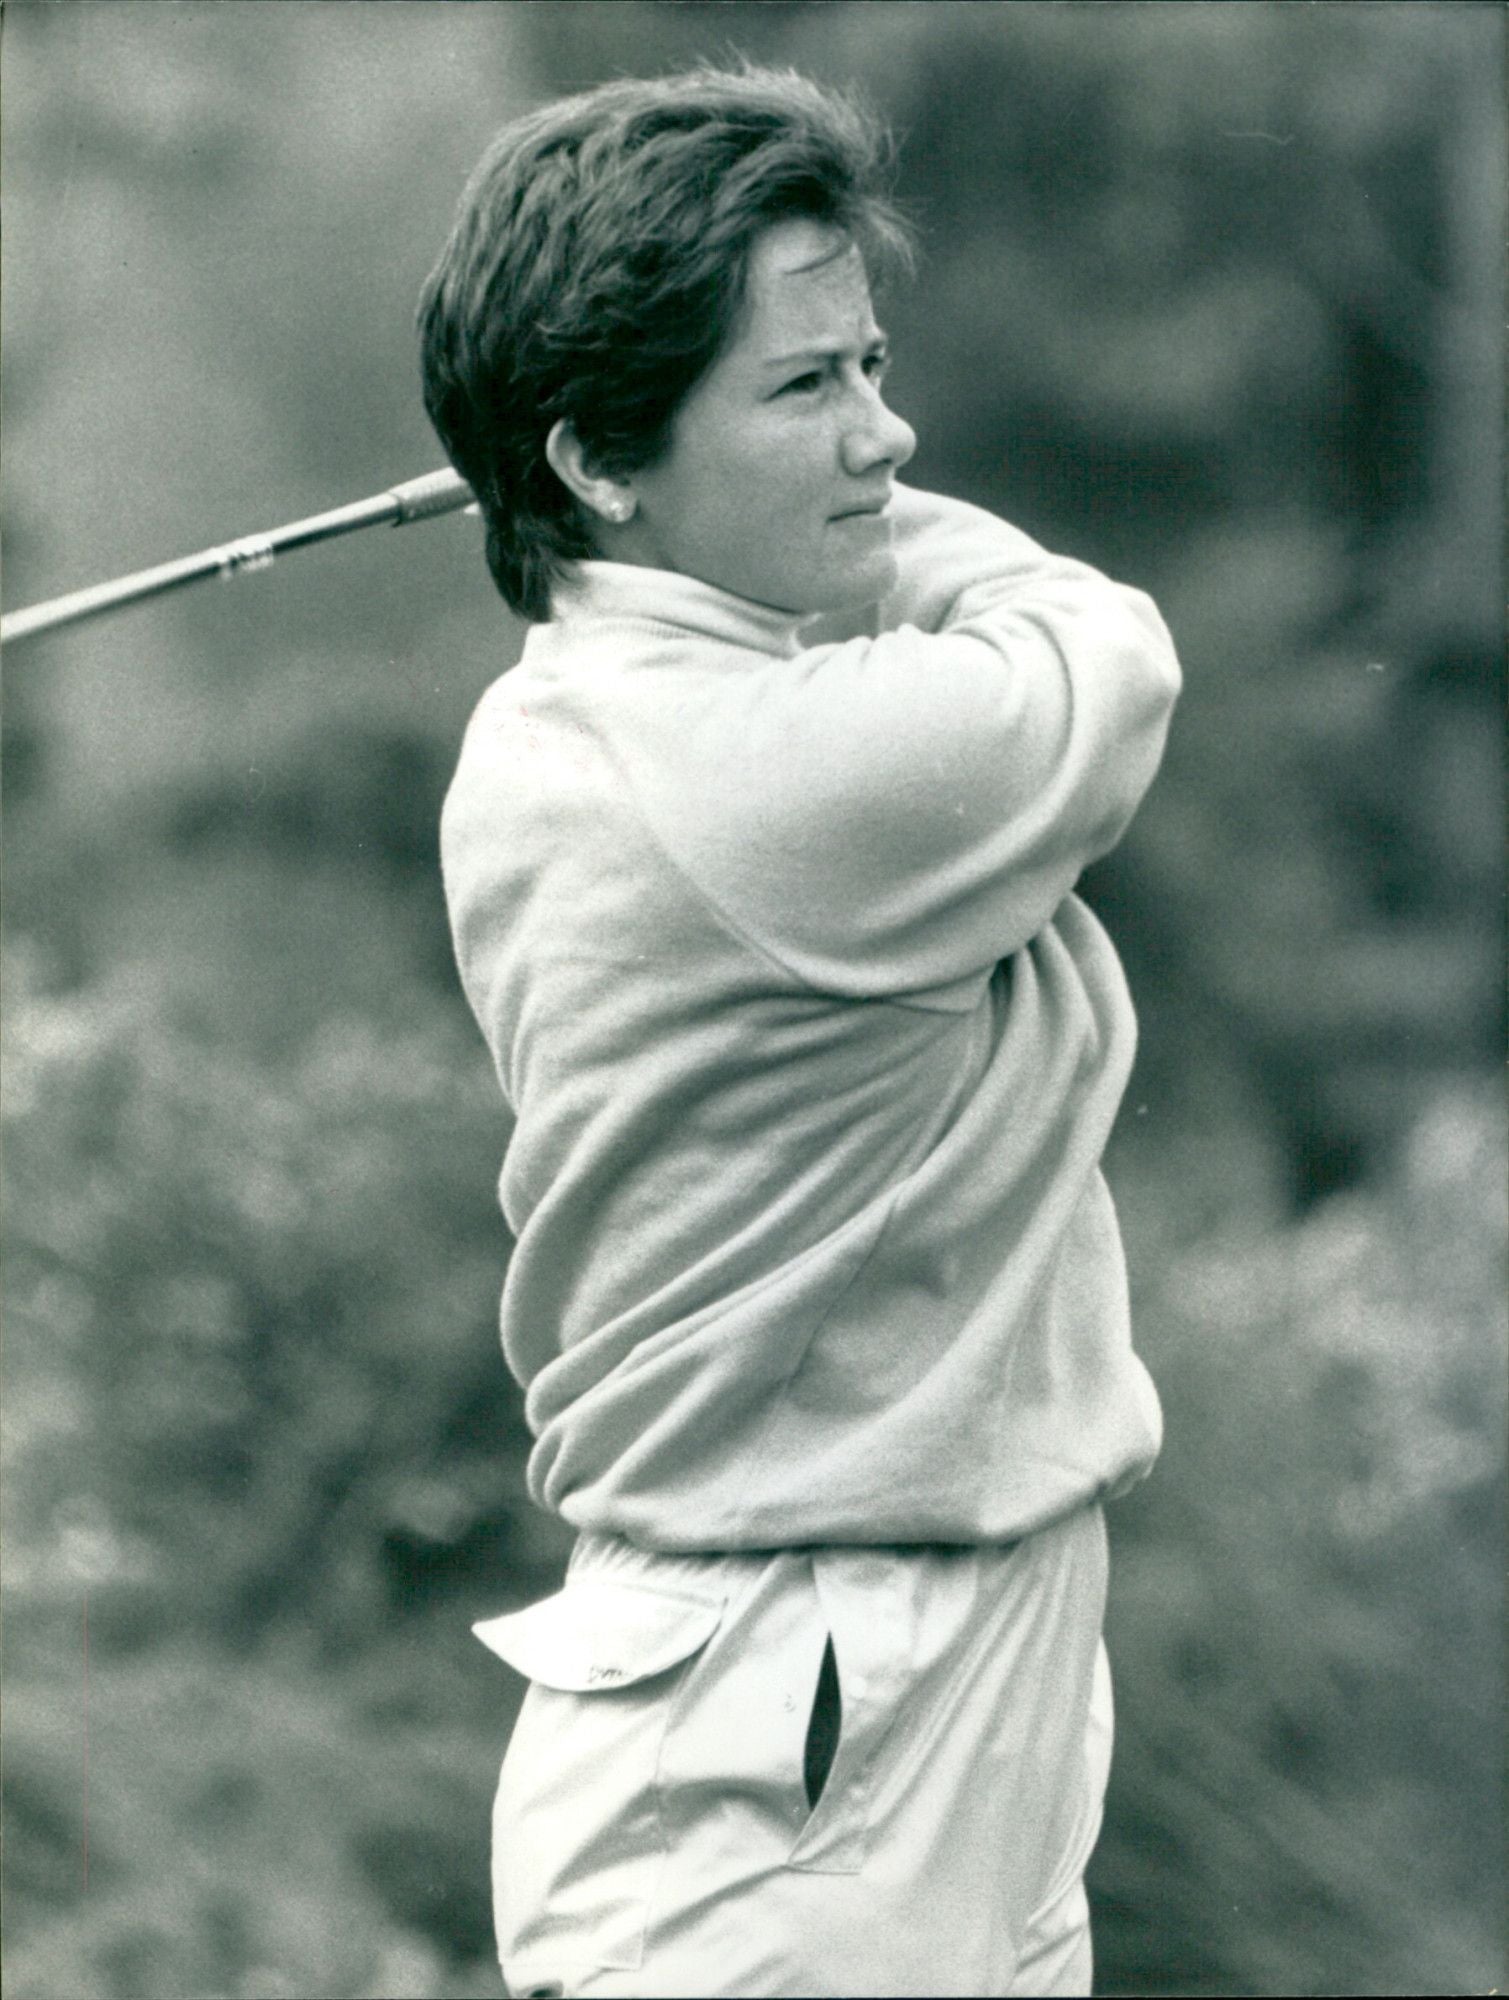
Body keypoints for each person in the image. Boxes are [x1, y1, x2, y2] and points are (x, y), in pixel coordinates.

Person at [419, 60, 1180, 2000]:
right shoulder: (764, 775)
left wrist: (689, 479)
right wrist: (862, 516)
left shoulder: (570, 708)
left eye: (870, 366)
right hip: (797, 1755)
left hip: (881, 1699)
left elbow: (836, 572)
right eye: (806, 387)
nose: (887, 434)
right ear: (596, 455)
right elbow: (1104, 657)